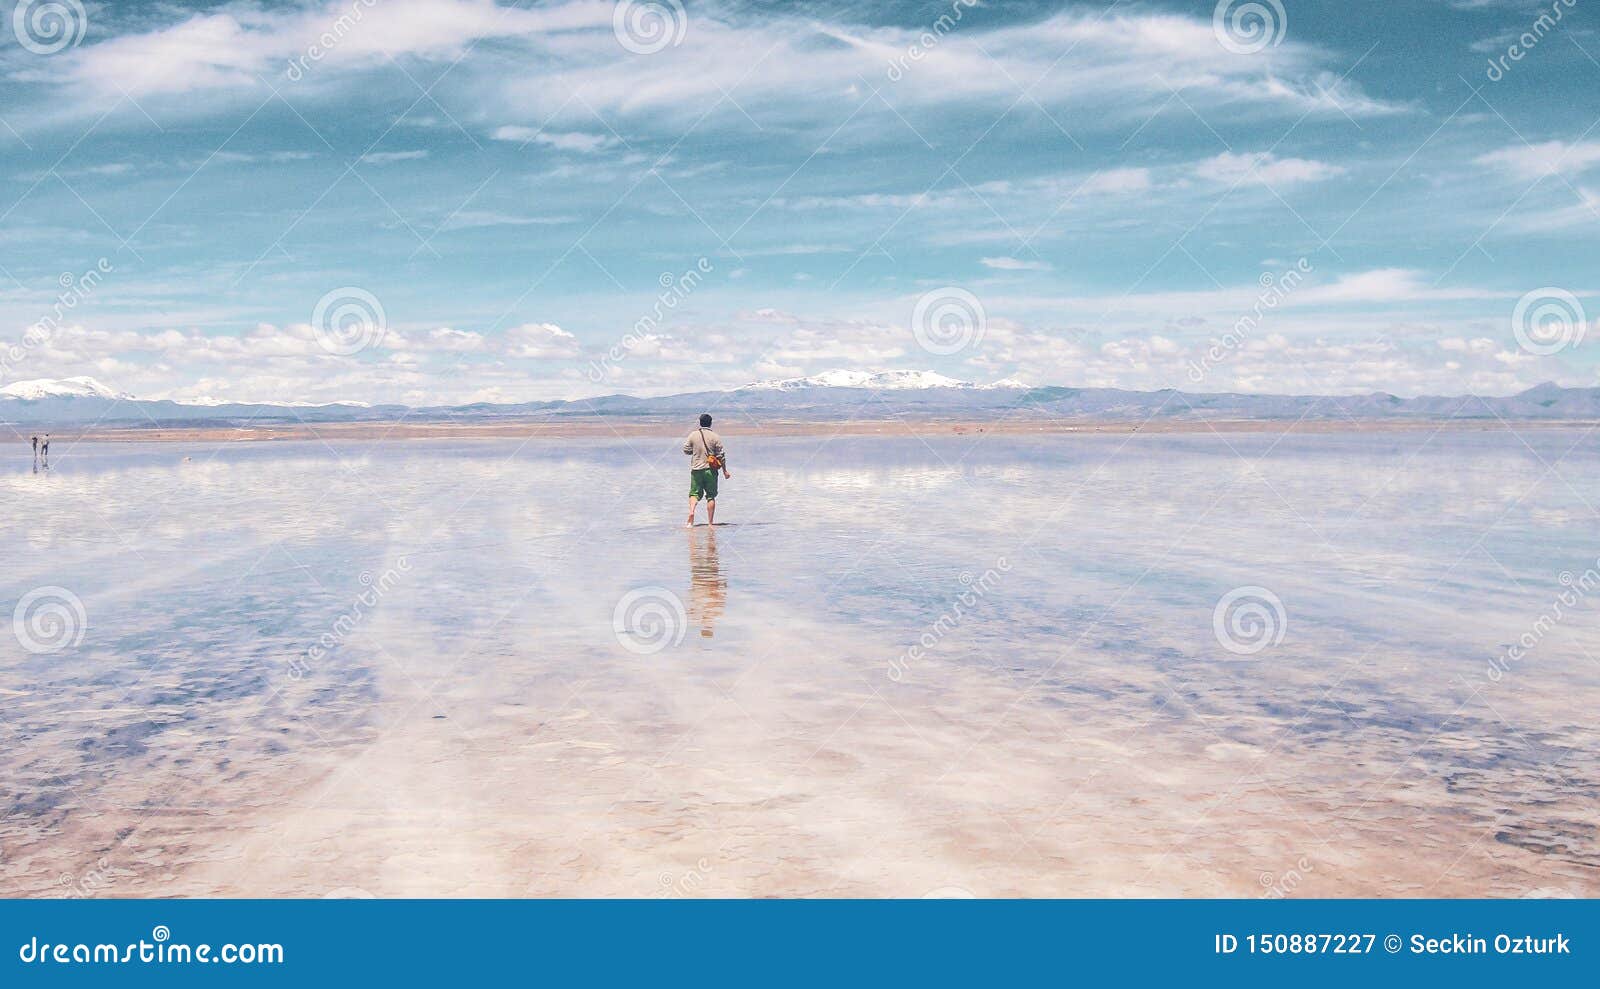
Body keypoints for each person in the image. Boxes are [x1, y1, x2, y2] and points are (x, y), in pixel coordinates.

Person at [683, 413, 730, 526]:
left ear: (700, 423)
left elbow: (686, 450)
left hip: (696, 469)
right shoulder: (715, 437)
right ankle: (710, 523)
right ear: (710, 423)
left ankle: (692, 512)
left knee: (694, 494)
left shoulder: (693, 435)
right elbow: (721, 455)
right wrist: (724, 471)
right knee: (710, 496)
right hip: (710, 470)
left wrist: (695, 451)